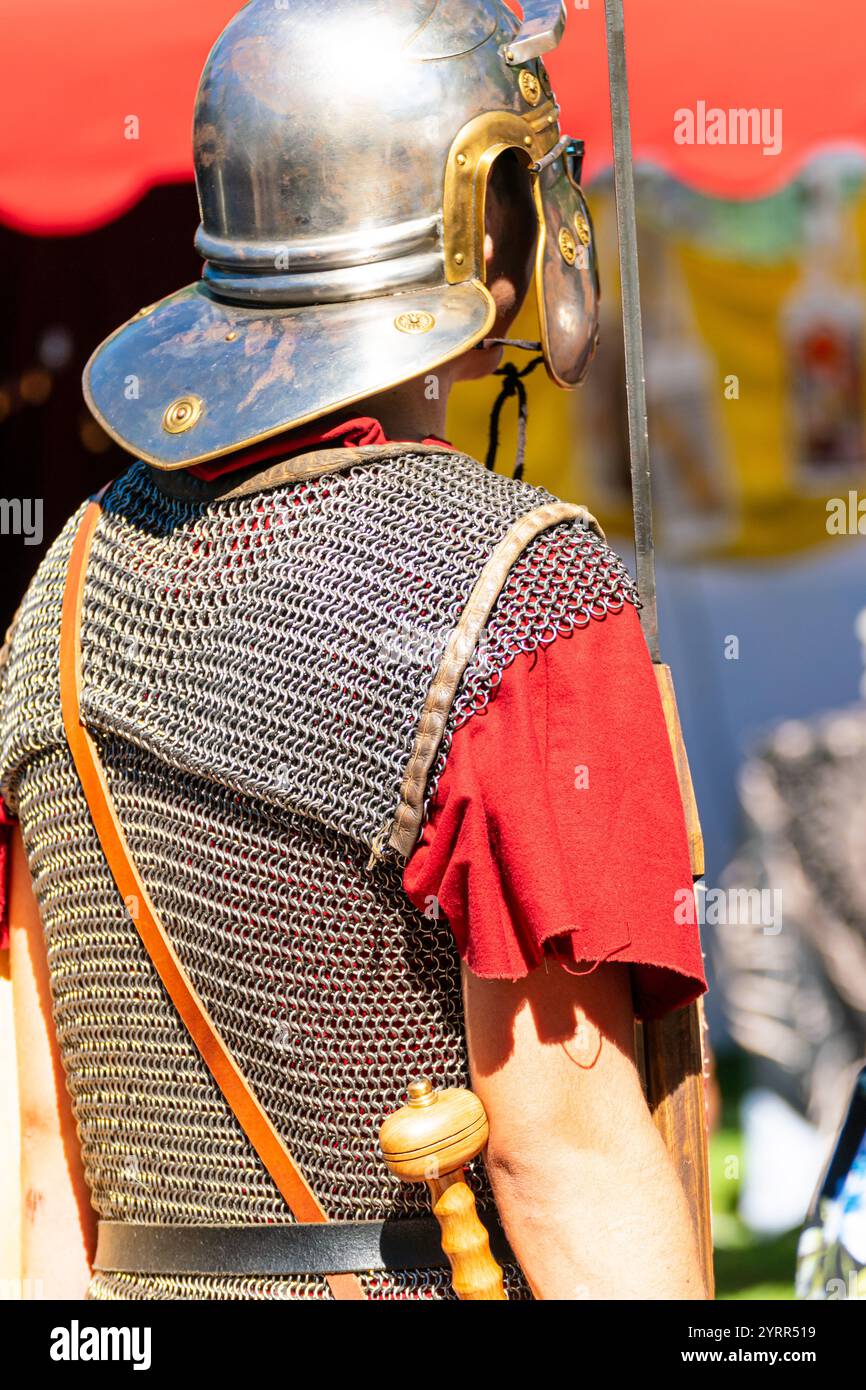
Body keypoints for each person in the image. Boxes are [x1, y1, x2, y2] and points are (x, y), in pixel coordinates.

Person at [2, 0, 707, 1300]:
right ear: (480, 209)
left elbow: (45, 1158)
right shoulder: (518, 588)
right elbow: (566, 1162)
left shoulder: (66, 583)